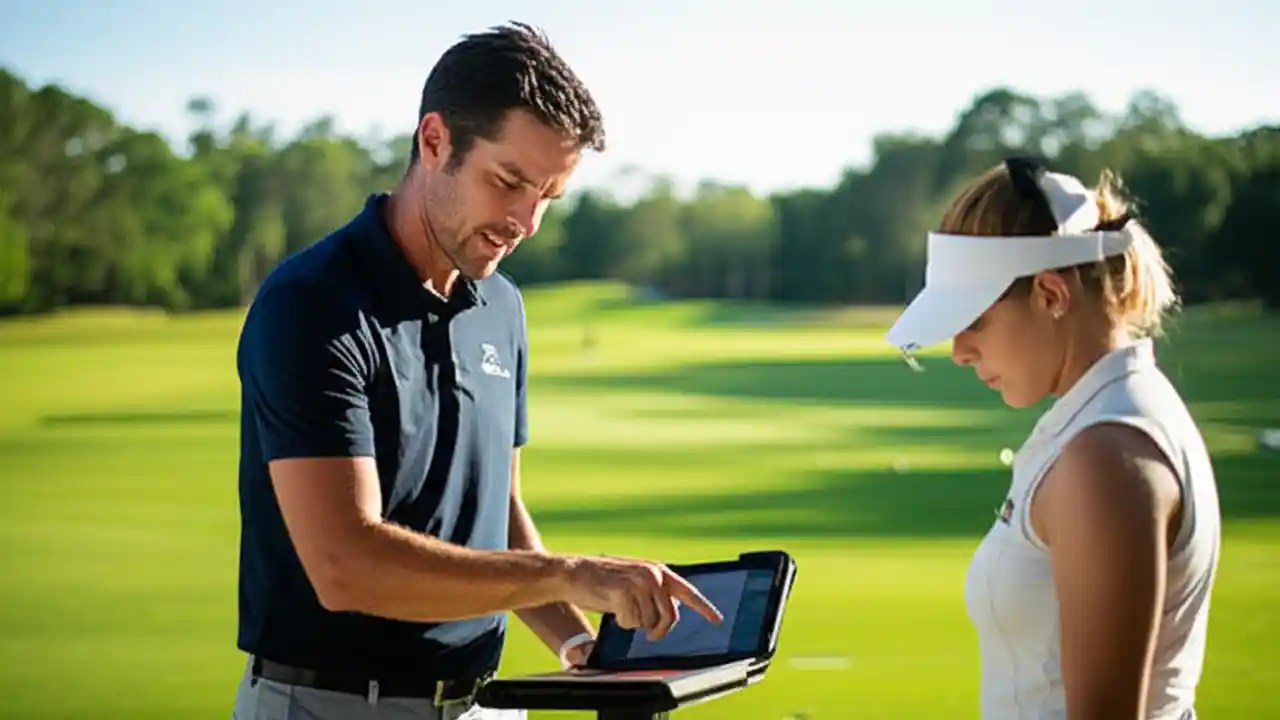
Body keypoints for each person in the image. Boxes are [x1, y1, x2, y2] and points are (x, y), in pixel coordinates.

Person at [231, 22, 721, 720]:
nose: (526, 222)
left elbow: (499, 517)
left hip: (482, 706)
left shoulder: (502, 306)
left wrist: (580, 645)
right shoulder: (313, 304)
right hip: (329, 705)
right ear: (435, 142)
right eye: (509, 182)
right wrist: (574, 574)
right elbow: (345, 564)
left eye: (548, 196)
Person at [885, 158, 1221, 720]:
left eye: (975, 321)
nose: (960, 351)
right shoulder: (1109, 418)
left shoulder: (1106, 456)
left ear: (1050, 294)